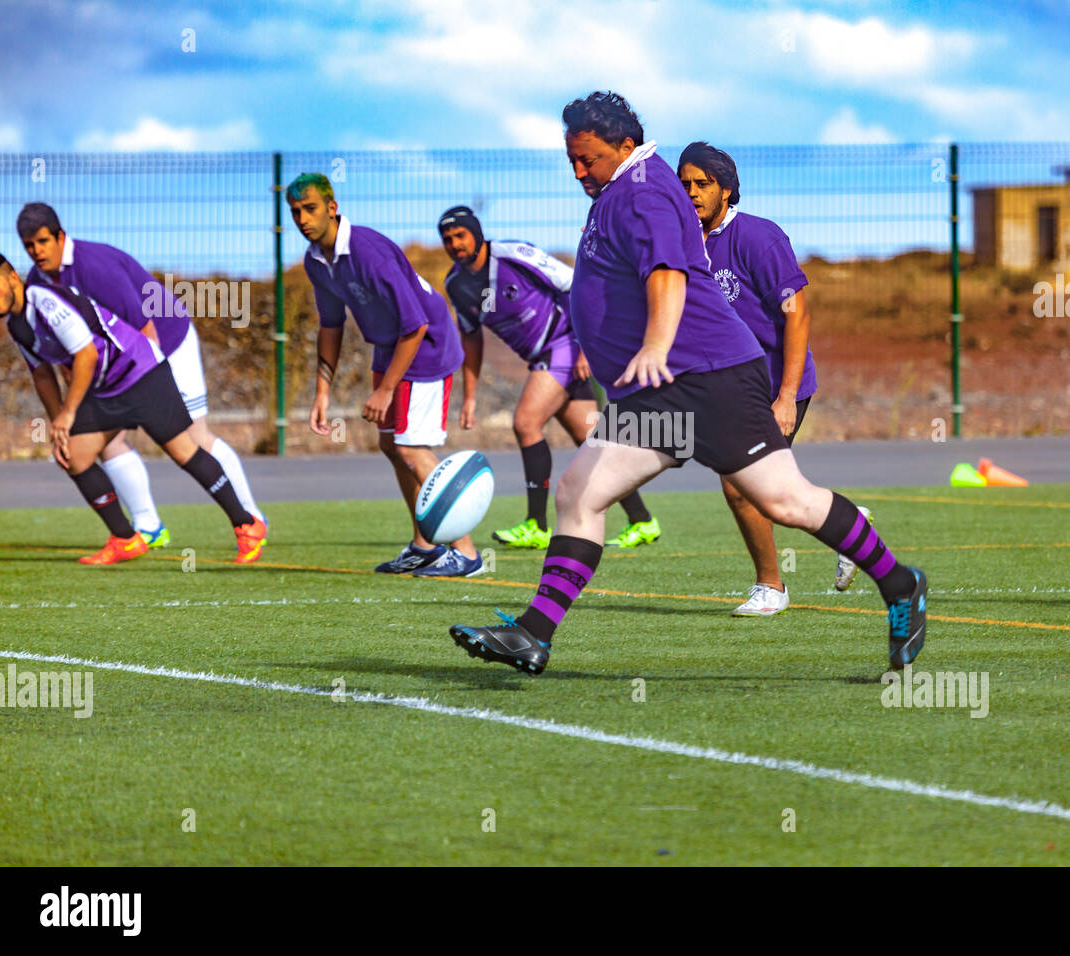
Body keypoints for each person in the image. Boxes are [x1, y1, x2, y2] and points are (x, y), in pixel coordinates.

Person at [449, 91, 927, 675]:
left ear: (625, 146)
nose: (578, 172)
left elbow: (668, 273)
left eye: (589, 159)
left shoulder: (644, 190)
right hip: (655, 390)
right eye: (571, 160)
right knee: (578, 493)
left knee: (785, 500)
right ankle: (534, 634)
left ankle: (901, 584)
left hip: (709, 378)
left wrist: (654, 345)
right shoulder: (615, 190)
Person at [678, 142, 866, 614]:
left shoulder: (759, 238)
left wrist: (785, 396)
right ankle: (849, 528)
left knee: (740, 486)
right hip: (726, 388)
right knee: (769, 490)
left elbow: (796, 315)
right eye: (685, 185)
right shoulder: (684, 243)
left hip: (775, 385)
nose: (693, 193)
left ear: (727, 189)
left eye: (703, 184)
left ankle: (772, 588)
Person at [0, 253, 266, 564]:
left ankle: (246, 524)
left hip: (141, 372)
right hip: (109, 388)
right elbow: (42, 375)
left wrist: (69, 413)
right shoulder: (16, 324)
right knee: (72, 455)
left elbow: (85, 356)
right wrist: (58, 424)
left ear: (13, 277)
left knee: (183, 450)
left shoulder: (43, 300)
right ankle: (125, 539)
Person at [289, 173, 481, 577]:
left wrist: (385, 391)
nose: (302, 218)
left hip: (425, 346)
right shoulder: (316, 261)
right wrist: (321, 393)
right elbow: (330, 325)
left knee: (412, 449)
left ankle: (466, 552)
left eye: (309, 208)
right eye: (295, 212)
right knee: (393, 446)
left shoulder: (368, 252)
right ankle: (424, 545)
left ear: (332, 207)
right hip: (390, 346)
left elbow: (416, 325)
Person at [439, 206, 660, 549]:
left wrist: (587, 347)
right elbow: (471, 338)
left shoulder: (513, 254)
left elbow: (574, 285)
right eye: (447, 239)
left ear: (476, 233)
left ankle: (537, 526)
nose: (454, 244)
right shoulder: (456, 283)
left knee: (525, 422)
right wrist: (469, 396)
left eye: (460, 235)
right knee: (593, 440)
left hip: (564, 345)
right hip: (544, 357)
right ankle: (643, 521)